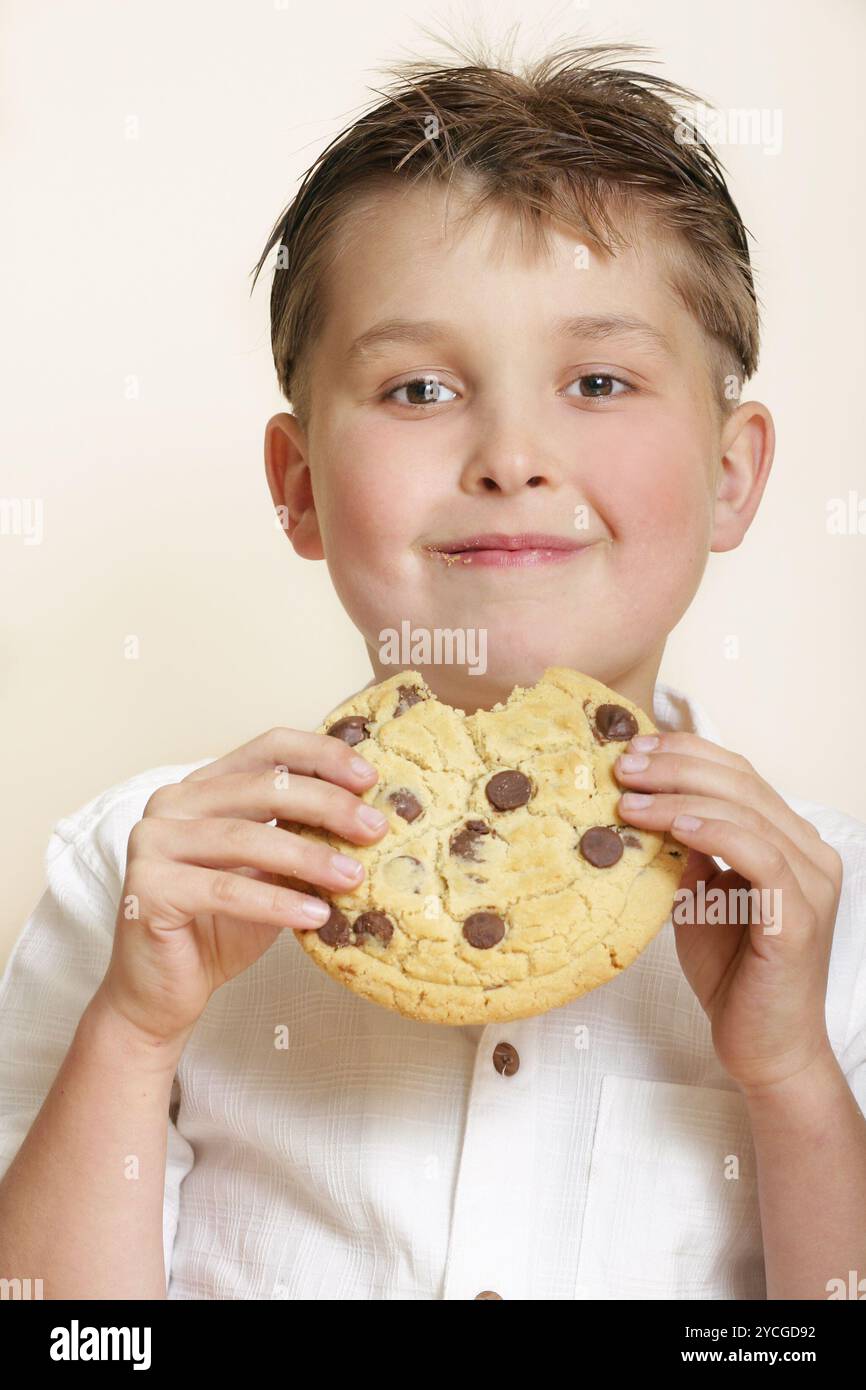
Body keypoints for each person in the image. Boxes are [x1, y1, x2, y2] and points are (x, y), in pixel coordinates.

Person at [1, 40, 865, 1301]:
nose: (510, 455)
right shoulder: (139, 878)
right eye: (416, 387)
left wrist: (790, 1078)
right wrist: (133, 1037)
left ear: (727, 477)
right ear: (299, 489)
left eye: (597, 380)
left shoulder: (826, 917)